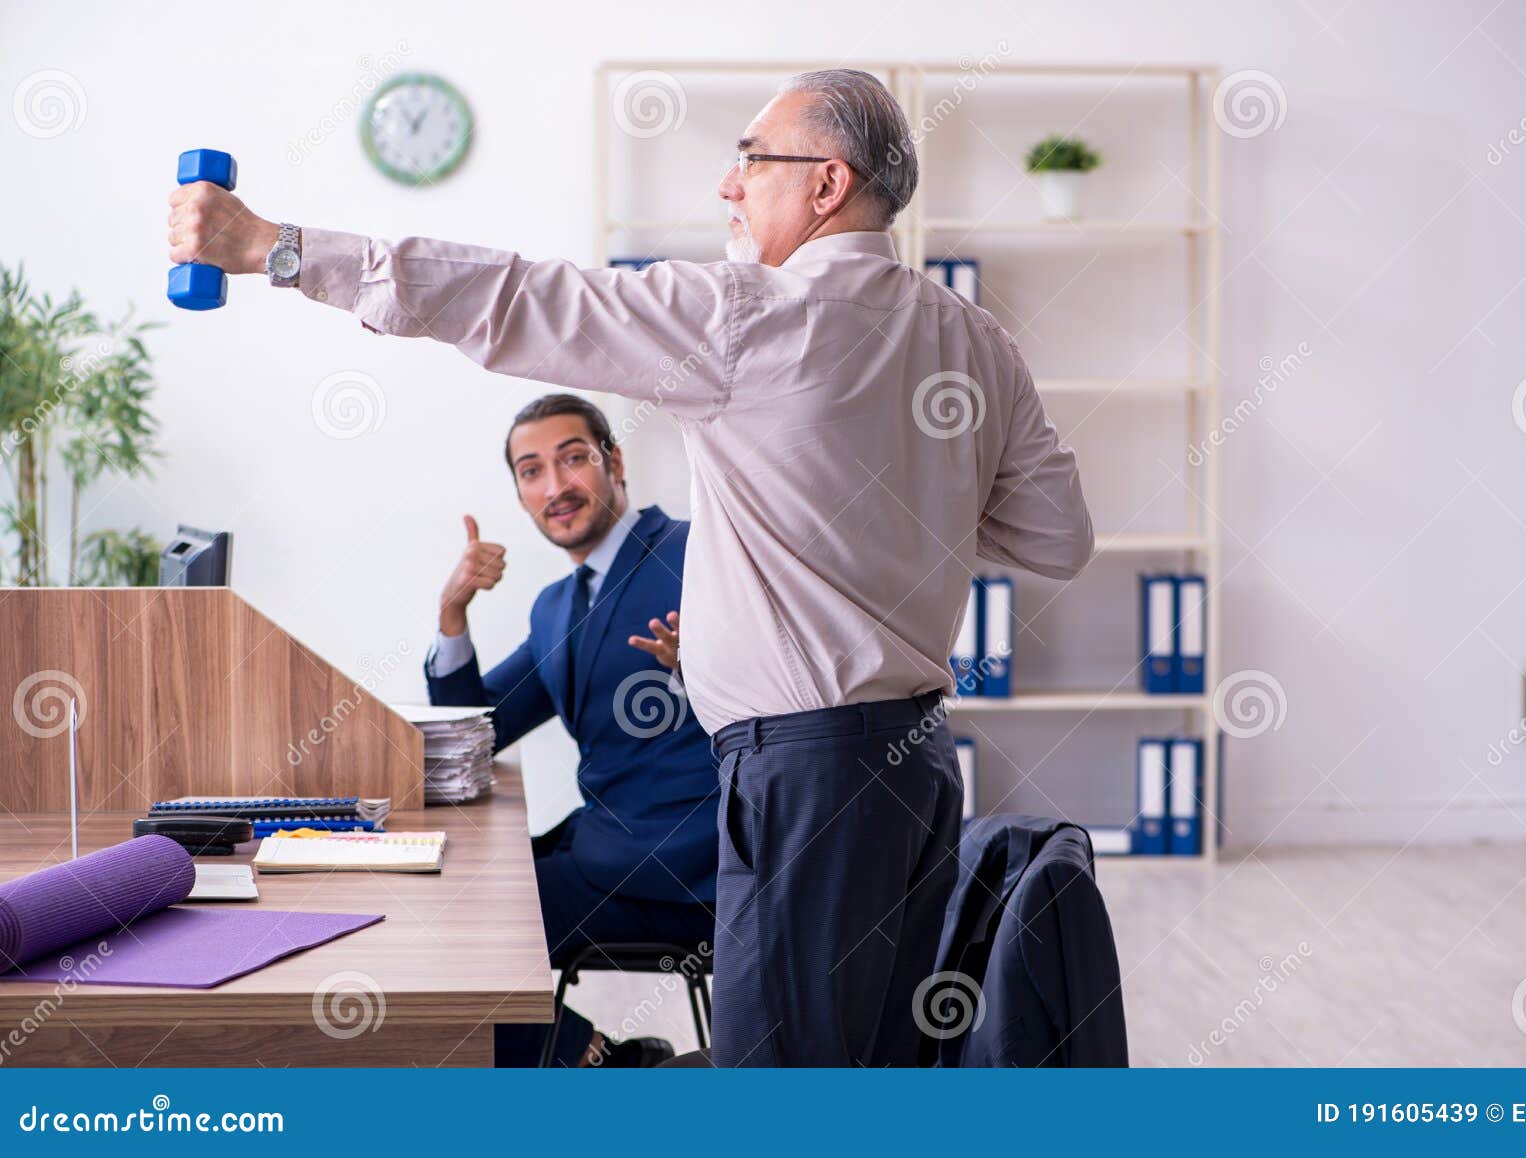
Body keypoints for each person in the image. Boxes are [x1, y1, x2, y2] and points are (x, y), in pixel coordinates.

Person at [167, 67, 1094, 1066]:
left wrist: (272, 248)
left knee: (784, 1081)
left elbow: (517, 297)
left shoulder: (746, 314)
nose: (728, 186)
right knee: (878, 1070)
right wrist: (908, 494)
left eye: (751, 162)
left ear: (827, 184)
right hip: (917, 766)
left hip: (805, 779)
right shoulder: (972, 335)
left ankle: (622, 1075)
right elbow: (1057, 537)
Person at [427, 393, 716, 1068]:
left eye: (573, 458)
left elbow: (782, 693)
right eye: (532, 471)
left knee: (457, 922)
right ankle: (598, 1056)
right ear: (521, 496)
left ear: (615, 462)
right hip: (606, 851)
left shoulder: (695, 553)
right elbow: (477, 732)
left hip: (687, 873)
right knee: (448, 894)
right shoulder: (555, 607)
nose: (555, 486)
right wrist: (451, 615)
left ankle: (589, 1063)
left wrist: (706, 669)